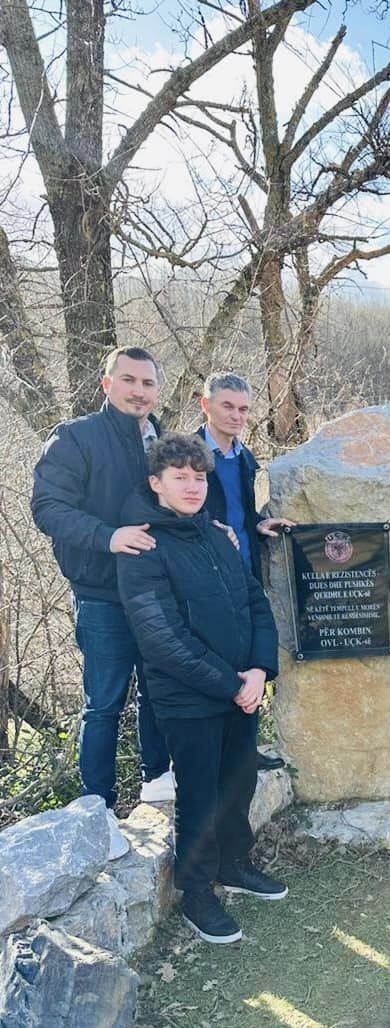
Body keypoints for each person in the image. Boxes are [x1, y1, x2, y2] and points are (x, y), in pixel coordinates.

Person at [116, 433, 285, 944]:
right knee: (199, 795)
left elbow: (254, 601)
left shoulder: (216, 535)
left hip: (242, 688)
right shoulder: (143, 547)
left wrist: (259, 670)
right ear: (156, 482)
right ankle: (196, 891)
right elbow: (162, 637)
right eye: (180, 477)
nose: (192, 486)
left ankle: (233, 863)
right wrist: (231, 684)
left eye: (199, 477)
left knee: (239, 782)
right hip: (190, 699)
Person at [31, 346, 173, 859]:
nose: (139, 391)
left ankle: (157, 780)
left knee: (157, 689)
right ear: (106, 384)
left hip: (154, 591)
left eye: (148, 383)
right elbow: (47, 507)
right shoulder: (76, 437)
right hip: (101, 594)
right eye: (128, 380)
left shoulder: (160, 440)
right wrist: (108, 537)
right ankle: (98, 811)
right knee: (104, 704)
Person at [197, 371, 293, 771]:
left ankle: (243, 752)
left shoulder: (244, 457)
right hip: (204, 575)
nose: (236, 416)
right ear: (206, 405)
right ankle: (213, 754)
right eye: (227, 406)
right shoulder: (188, 455)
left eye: (243, 409)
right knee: (216, 663)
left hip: (244, 573)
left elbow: (238, 512)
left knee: (249, 659)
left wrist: (257, 524)